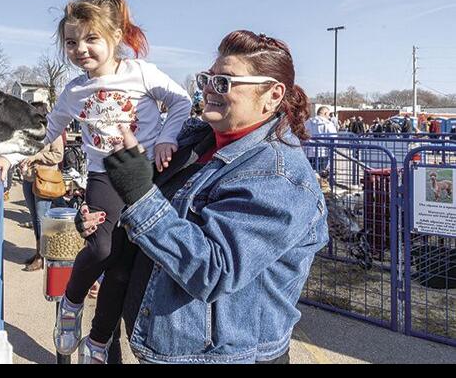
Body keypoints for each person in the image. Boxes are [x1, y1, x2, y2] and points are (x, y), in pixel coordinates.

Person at [77, 30, 329, 364]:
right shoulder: (195, 140)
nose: (209, 88)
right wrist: (105, 217)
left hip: (223, 357)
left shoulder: (279, 175)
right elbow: (146, 218)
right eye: (208, 78)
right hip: (161, 343)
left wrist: (139, 196)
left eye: (225, 82)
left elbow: (215, 270)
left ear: (272, 95)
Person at [0, 0, 192, 364]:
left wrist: (165, 138)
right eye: (71, 42)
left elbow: (181, 102)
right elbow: (46, 133)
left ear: (115, 37)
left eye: (91, 38)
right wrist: (8, 159)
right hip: (104, 176)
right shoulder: (73, 92)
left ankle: (98, 342)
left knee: (122, 270)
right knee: (101, 249)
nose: (81, 48)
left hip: (143, 177)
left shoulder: (141, 72)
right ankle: (71, 299)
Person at [18, 102, 66, 272]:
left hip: (44, 178)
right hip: (29, 177)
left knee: (42, 219)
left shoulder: (53, 130)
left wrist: (36, 156)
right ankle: (38, 251)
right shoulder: (29, 131)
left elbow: (58, 155)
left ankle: (43, 256)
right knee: (35, 218)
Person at [303, 105, 337, 174]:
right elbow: (334, 138)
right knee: (321, 174)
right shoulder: (328, 124)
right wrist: (333, 152)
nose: (329, 116)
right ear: (325, 113)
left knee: (311, 173)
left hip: (309, 152)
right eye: (328, 114)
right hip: (323, 152)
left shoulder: (307, 122)